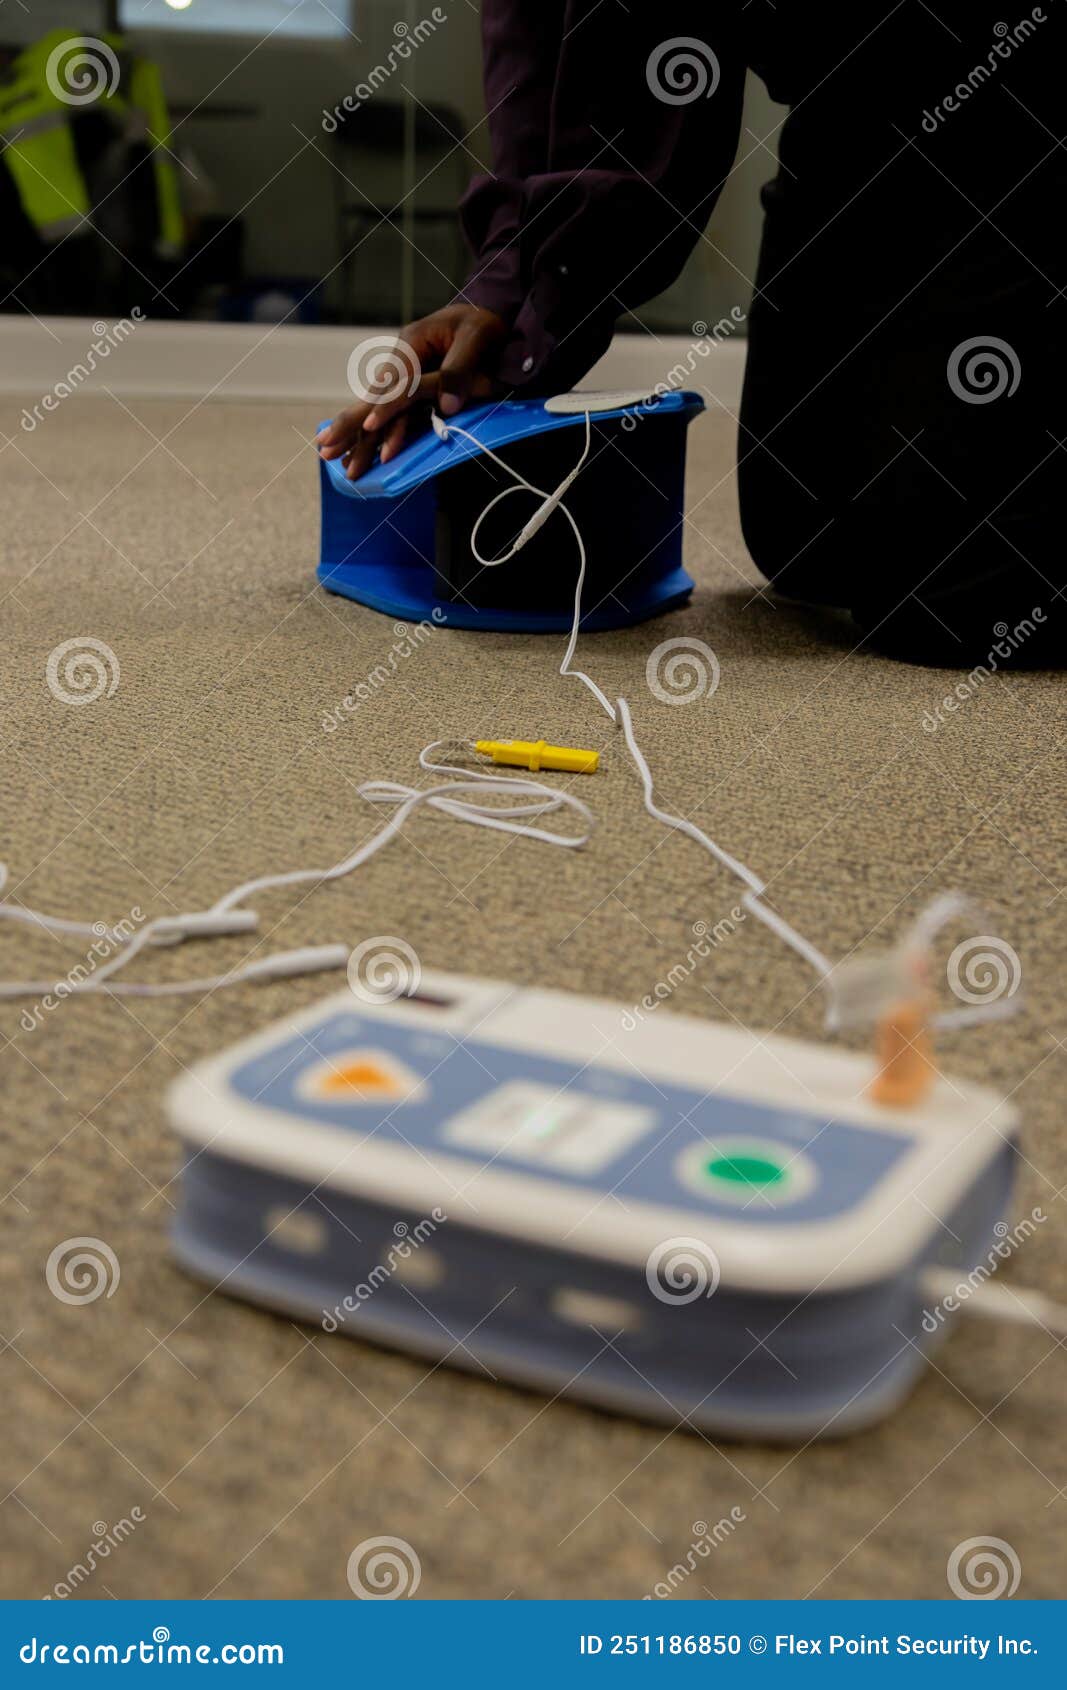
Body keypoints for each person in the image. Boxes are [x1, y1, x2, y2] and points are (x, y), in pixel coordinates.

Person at [317, 1, 1064, 666]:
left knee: (961, 600)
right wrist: (508, 288)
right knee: (804, 545)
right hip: (851, 96)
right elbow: (554, 38)